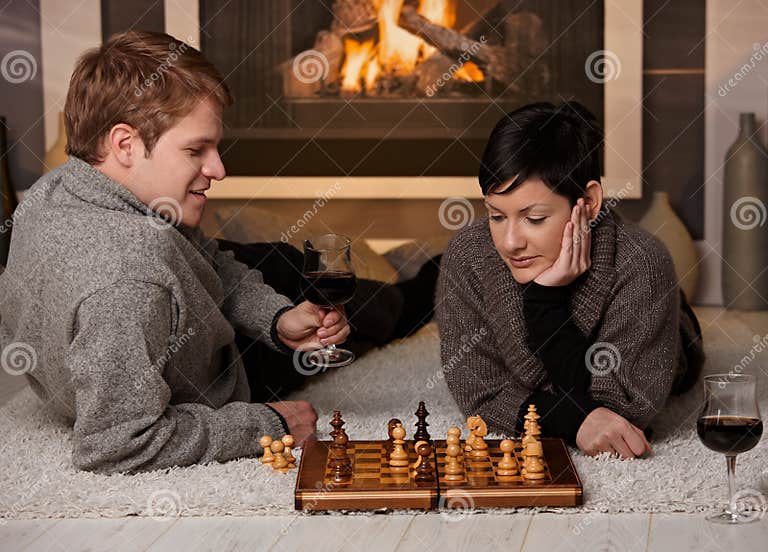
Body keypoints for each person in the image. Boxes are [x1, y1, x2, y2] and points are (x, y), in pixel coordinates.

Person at [0, 31, 436, 475]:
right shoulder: (128, 286)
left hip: (197, 310)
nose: (219, 169)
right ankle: (426, 288)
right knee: (365, 310)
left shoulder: (56, 190)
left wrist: (275, 319)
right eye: (196, 150)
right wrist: (269, 424)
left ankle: (399, 291)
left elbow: (207, 259)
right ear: (125, 144)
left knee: (281, 264)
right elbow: (116, 444)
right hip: (220, 365)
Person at [436, 101, 705, 459]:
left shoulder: (644, 263)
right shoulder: (467, 254)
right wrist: (576, 418)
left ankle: (677, 311)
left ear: (589, 202)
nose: (511, 242)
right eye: (496, 216)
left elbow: (622, 412)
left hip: (672, 338)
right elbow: (480, 395)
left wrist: (544, 300)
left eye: (534, 219)